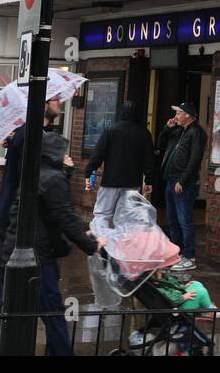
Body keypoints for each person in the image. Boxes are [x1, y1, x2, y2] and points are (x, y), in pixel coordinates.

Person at [0, 131, 105, 356]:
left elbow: (54, 216)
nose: (69, 157)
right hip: (36, 257)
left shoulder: (40, 175)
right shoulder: (53, 179)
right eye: (65, 153)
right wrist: (91, 245)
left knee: (16, 310)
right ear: (54, 154)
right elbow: (66, 217)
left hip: (19, 251)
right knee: (53, 311)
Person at [0, 98, 65, 247]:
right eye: (56, 99)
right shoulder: (28, 134)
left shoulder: (37, 133)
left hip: (23, 214)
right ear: (43, 104)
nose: (60, 102)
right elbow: (33, 177)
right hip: (16, 214)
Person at [83, 101, 155, 227]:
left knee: (102, 214)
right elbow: (149, 160)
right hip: (132, 182)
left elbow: (98, 154)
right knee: (126, 216)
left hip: (111, 180)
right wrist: (148, 180)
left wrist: (89, 172)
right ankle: (121, 244)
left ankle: (99, 242)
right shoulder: (144, 133)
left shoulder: (111, 130)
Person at [160, 101, 206, 271]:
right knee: (172, 219)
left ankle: (189, 256)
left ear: (187, 115)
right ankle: (175, 252)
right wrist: (167, 128)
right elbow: (161, 143)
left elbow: (195, 159)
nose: (176, 116)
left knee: (184, 220)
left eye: (179, 113)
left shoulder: (197, 133)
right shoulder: (180, 131)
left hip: (183, 183)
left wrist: (183, 180)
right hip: (171, 179)